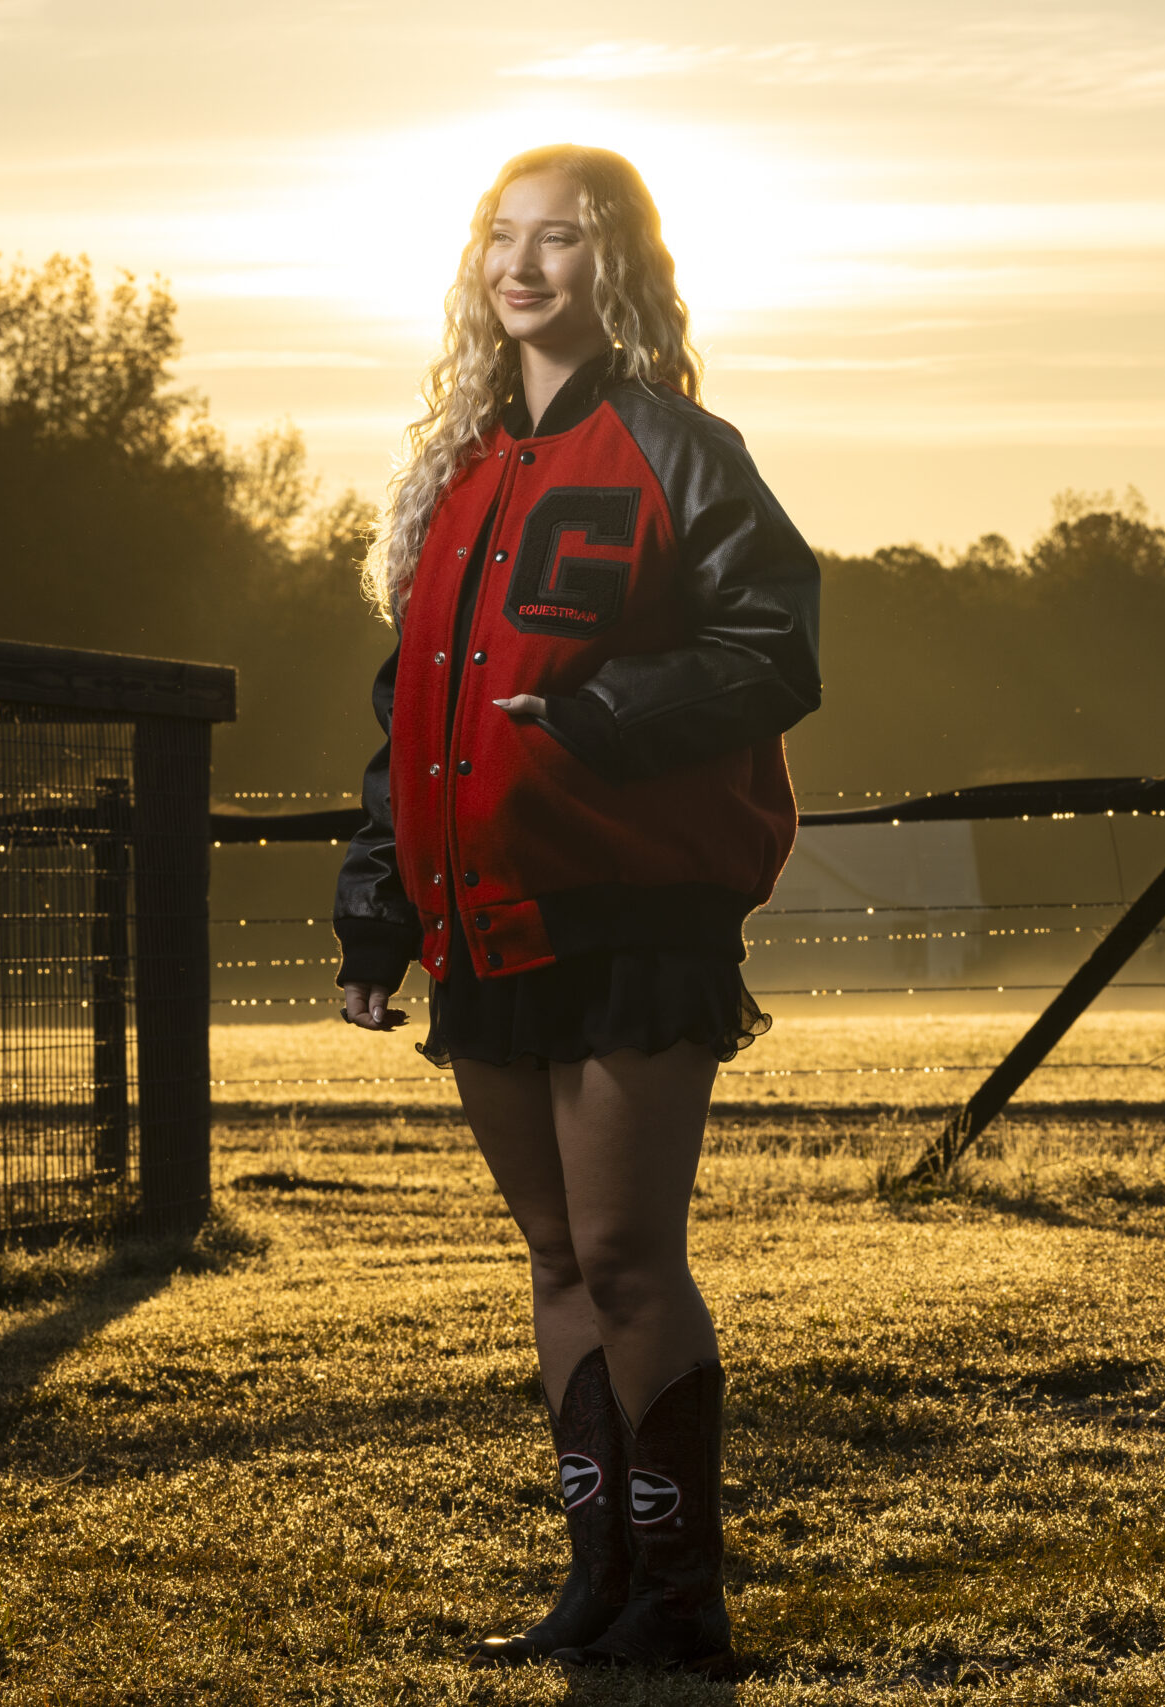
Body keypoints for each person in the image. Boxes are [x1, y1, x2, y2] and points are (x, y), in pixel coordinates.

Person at [332, 143, 821, 1677]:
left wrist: (607, 717)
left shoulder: (681, 449)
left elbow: (773, 646)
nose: (523, 266)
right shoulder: (458, 471)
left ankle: (684, 1596)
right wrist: (376, 906)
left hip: (632, 917)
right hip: (486, 922)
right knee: (551, 1263)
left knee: (623, 1257)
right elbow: (407, 720)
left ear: (615, 266)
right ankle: (598, 1584)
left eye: (560, 241)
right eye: (502, 237)